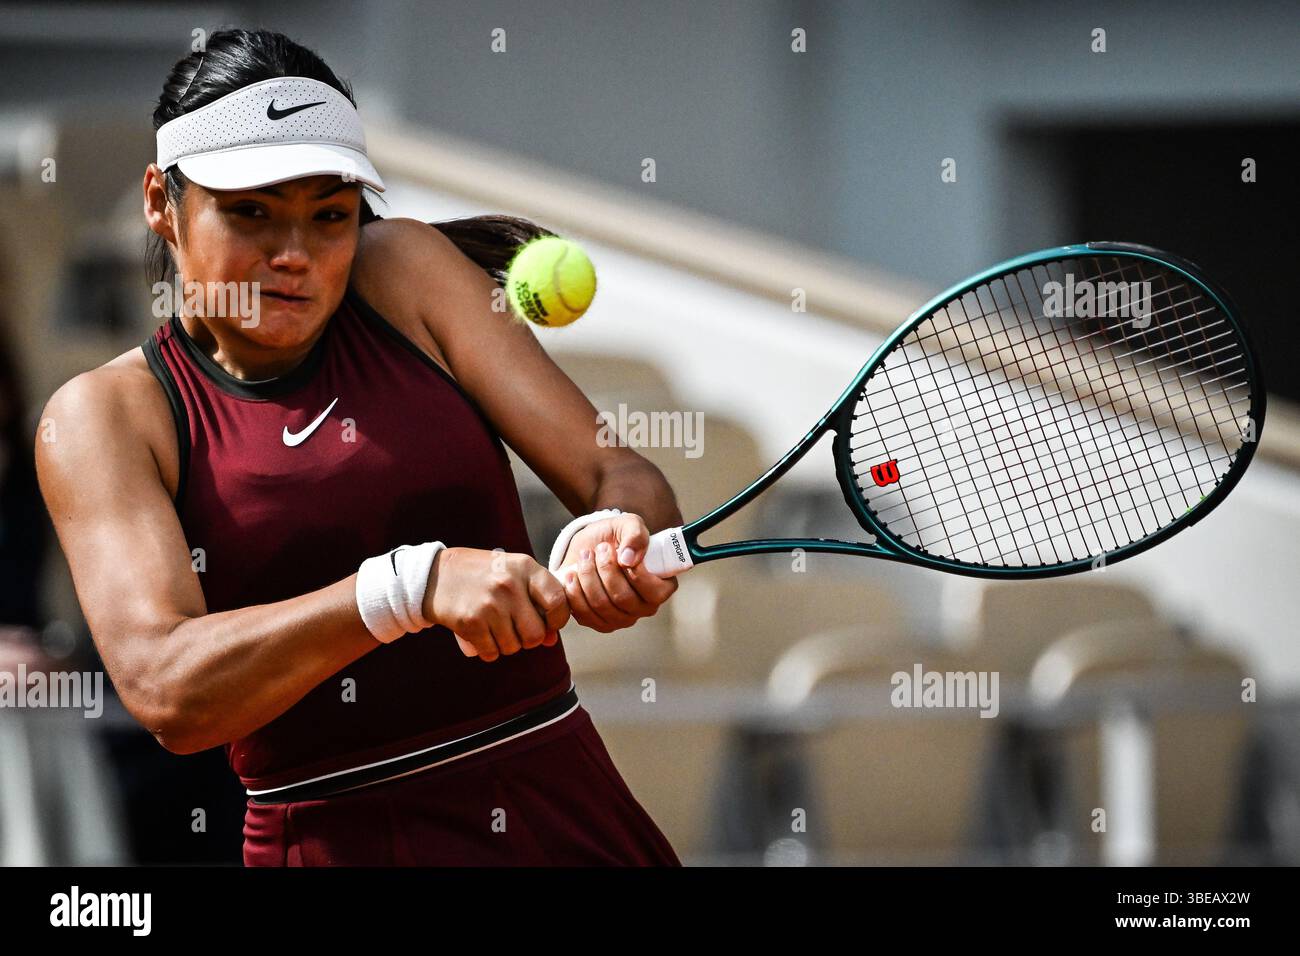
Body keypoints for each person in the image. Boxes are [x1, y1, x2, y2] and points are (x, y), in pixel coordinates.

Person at [34, 28, 683, 866]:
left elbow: (616, 473)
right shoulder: (104, 417)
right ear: (162, 201)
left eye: (330, 216)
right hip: (330, 842)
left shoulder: (407, 268)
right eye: (251, 212)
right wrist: (408, 588)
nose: (294, 256)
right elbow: (169, 690)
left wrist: (613, 532)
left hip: (562, 806)